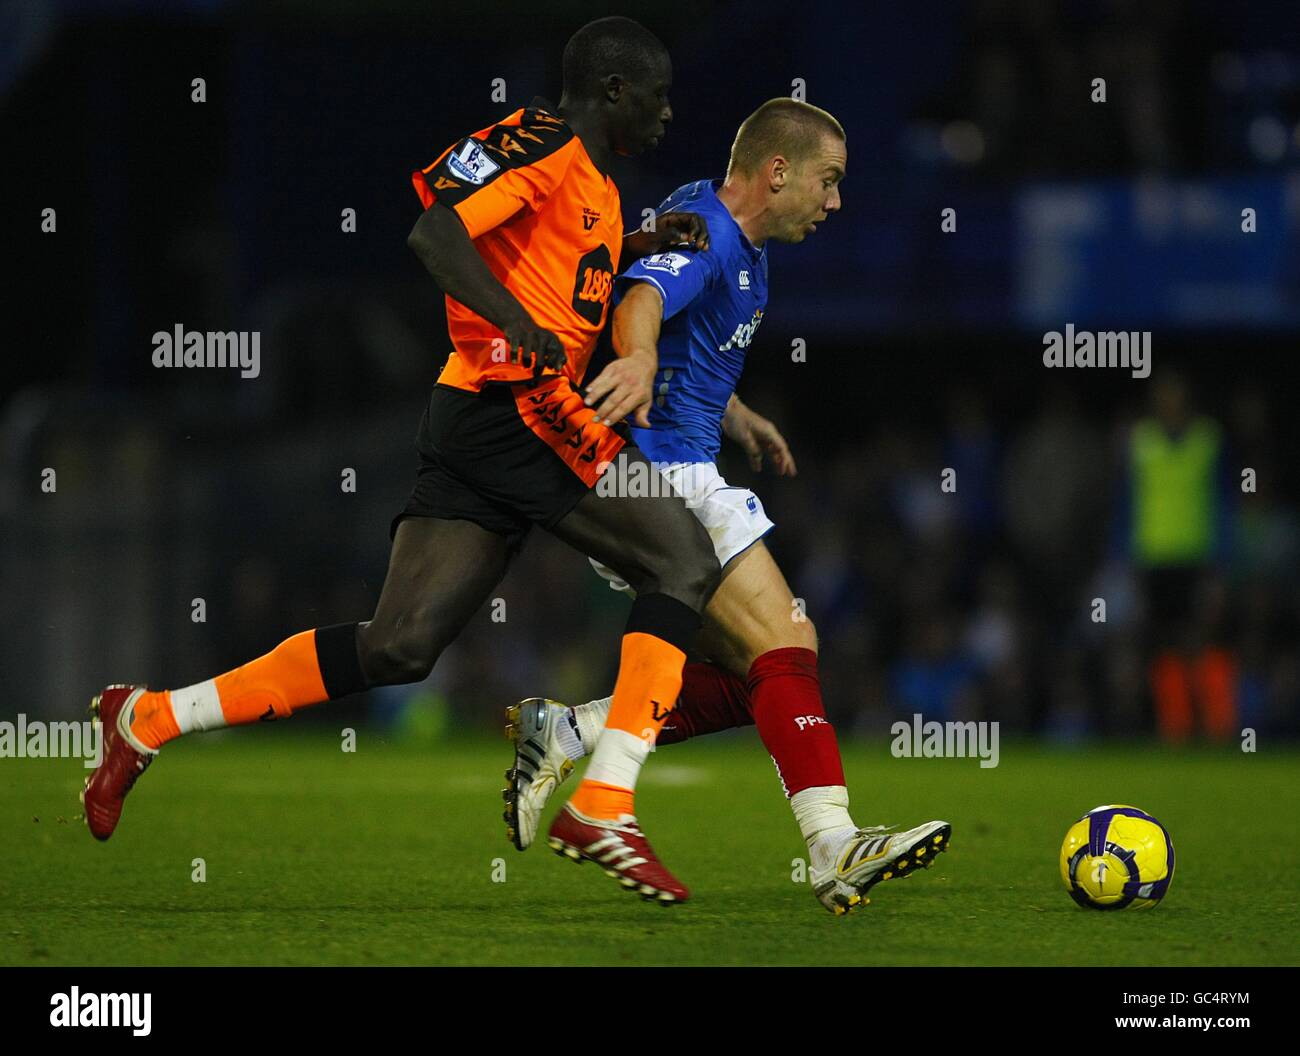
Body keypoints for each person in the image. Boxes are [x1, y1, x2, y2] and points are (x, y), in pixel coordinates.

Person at [83, 16, 723, 906]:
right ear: (613, 89)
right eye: (655, 96)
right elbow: (435, 234)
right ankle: (606, 802)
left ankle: (149, 718)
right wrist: (512, 322)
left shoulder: (604, 194)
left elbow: (562, 278)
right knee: (684, 559)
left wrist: (643, 248)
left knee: (399, 647)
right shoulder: (539, 141)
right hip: (515, 407)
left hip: (479, 414)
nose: (665, 114)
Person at [503, 98, 951, 915]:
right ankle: (833, 845)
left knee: (761, 675)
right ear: (777, 173)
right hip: (662, 476)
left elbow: (690, 335)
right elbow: (641, 298)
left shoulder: (726, 228)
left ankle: (571, 731)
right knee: (787, 642)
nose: (836, 201)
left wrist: (738, 415)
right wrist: (635, 359)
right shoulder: (708, 236)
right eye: (830, 180)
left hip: (664, 469)